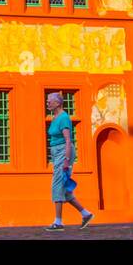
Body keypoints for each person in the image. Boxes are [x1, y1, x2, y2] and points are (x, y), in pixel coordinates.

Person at [45, 92, 93, 231]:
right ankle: (86, 214)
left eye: (50, 101)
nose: (47, 103)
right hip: (56, 152)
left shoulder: (64, 118)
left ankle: (58, 222)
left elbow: (68, 140)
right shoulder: (55, 117)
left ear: (58, 103)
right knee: (64, 189)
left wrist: (66, 160)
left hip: (63, 152)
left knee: (57, 184)